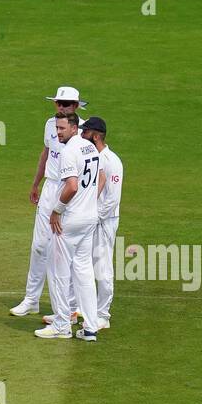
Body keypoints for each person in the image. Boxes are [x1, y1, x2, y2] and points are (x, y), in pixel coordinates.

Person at [12, 86, 87, 317]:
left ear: (75, 106)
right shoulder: (49, 124)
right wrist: (36, 183)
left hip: (70, 191)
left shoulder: (83, 129)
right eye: (58, 103)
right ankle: (31, 299)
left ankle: (72, 306)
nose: (61, 107)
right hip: (50, 187)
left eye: (66, 104)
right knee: (39, 246)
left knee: (66, 251)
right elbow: (45, 154)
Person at [36, 113, 102, 341]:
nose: (58, 132)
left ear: (75, 128)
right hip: (89, 218)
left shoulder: (68, 152)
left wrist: (57, 210)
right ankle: (91, 327)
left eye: (62, 128)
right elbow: (98, 178)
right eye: (57, 127)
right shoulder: (91, 148)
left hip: (70, 221)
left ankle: (62, 325)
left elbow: (72, 186)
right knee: (84, 272)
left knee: (58, 272)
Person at [81, 117, 122, 329]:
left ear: (95, 135)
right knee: (84, 264)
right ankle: (85, 308)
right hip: (92, 219)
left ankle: (103, 315)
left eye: (85, 132)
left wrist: (95, 217)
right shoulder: (92, 158)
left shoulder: (111, 160)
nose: (81, 135)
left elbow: (112, 199)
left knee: (102, 266)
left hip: (104, 221)